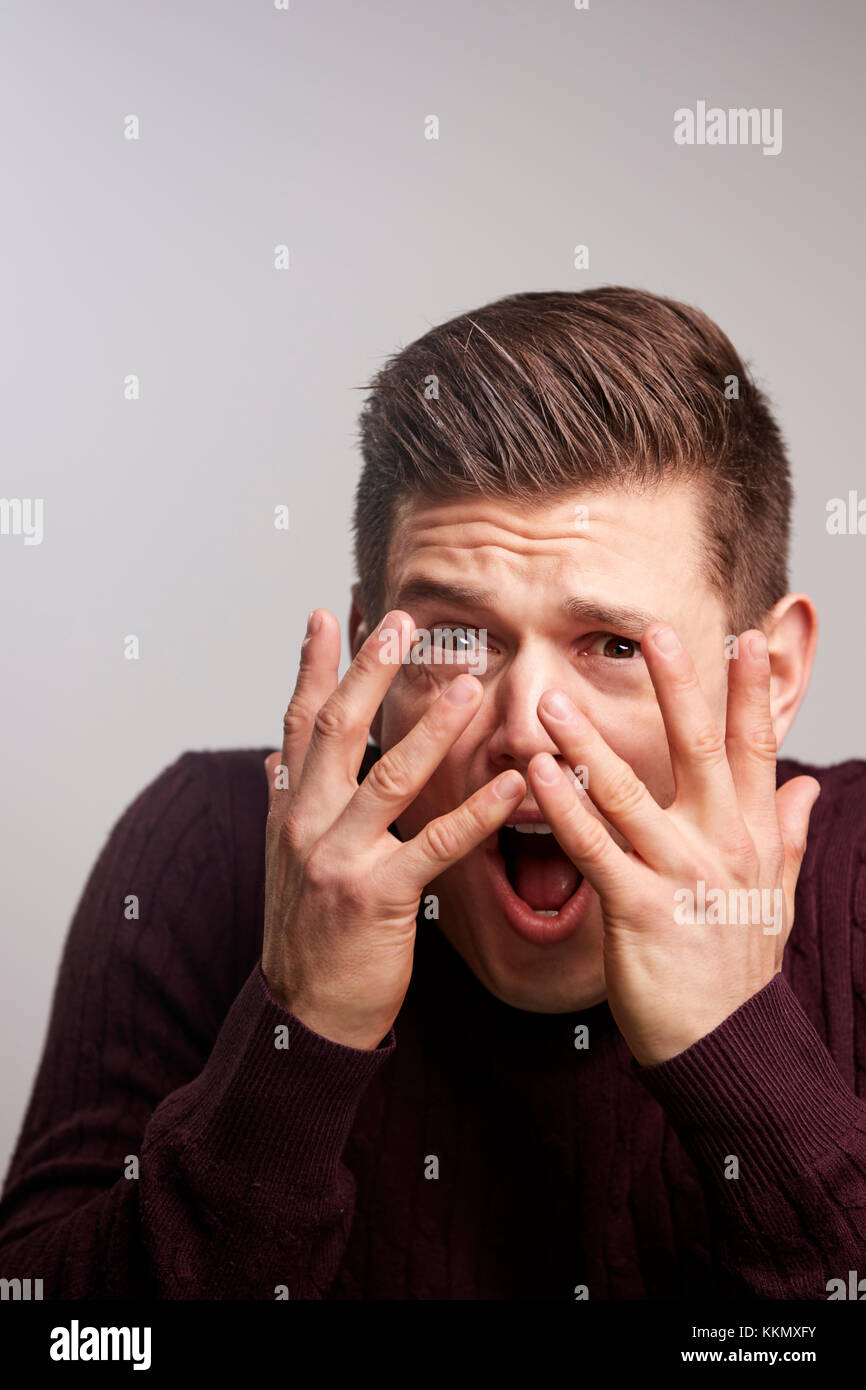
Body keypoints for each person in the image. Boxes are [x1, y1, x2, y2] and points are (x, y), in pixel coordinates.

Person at [2, 286, 865, 1300]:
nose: (521, 725)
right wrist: (300, 1031)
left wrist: (738, 1046)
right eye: (454, 638)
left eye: (614, 645)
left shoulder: (849, 880)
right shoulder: (210, 848)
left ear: (766, 673)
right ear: (374, 650)